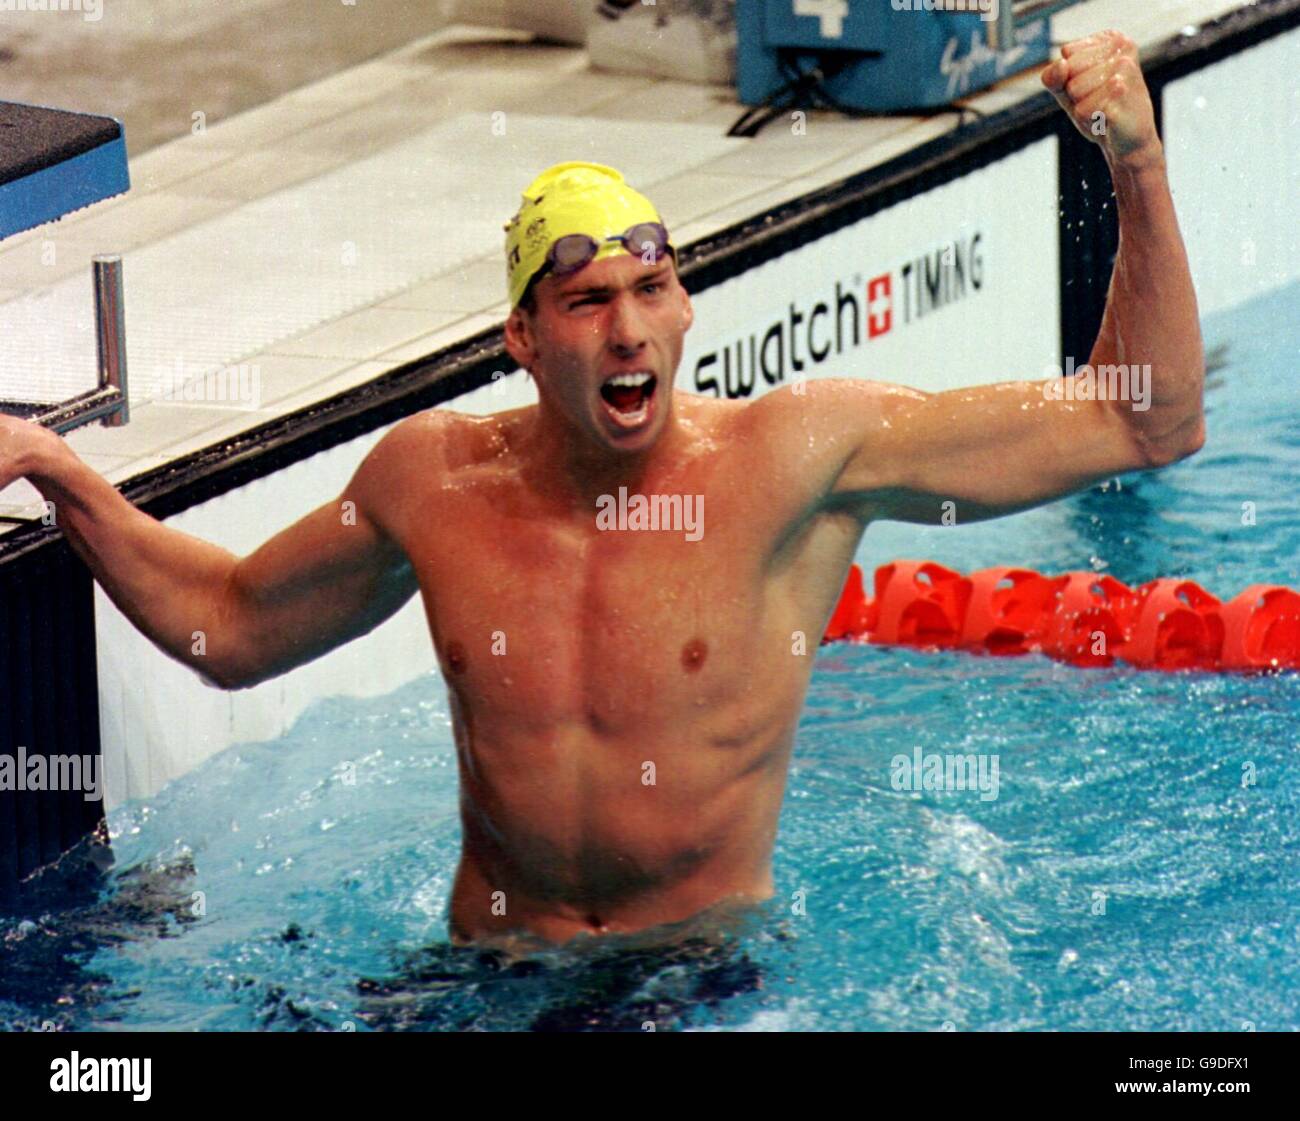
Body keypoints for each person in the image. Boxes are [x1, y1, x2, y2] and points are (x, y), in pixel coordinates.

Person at [3, 32, 1204, 954]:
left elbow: (1141, 416)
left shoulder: (802, 458)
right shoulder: (435, 479)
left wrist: (1135, 159)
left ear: (686, 308)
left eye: (652, 289)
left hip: (694, 976)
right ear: (521, 336)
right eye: (585, 303)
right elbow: (236, 629)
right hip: (482, 971)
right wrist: (58, 469)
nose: (627, 328)